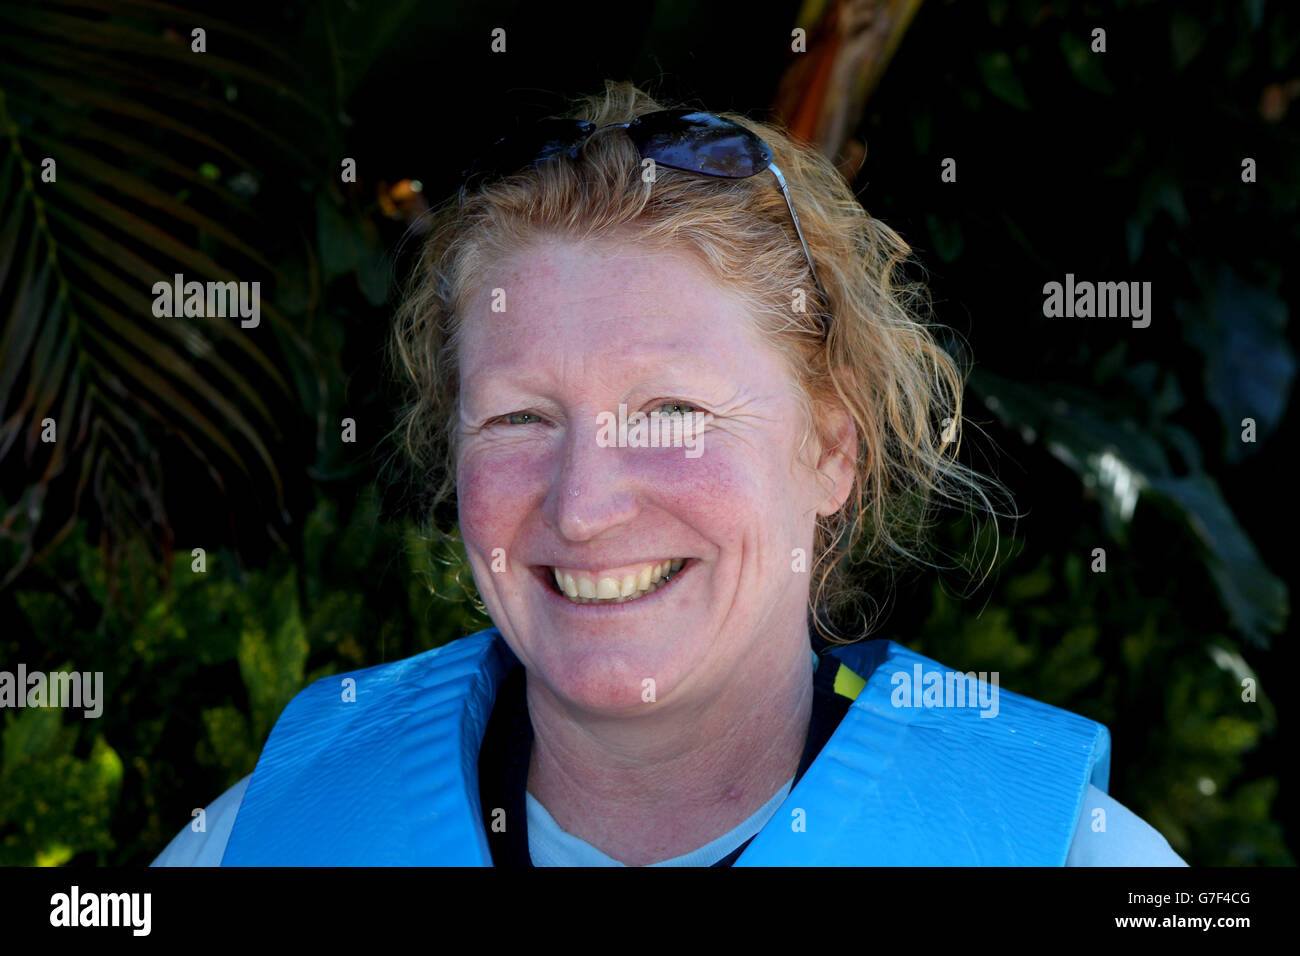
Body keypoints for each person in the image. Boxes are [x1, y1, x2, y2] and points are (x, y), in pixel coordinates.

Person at [154, 81, 1185, 867]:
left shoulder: (1069, 856)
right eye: (519, 416)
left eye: (672, 413)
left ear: (830, 448)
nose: (585, 505)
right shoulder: (264, 837)